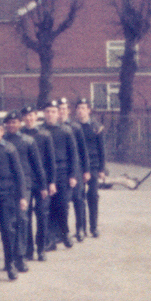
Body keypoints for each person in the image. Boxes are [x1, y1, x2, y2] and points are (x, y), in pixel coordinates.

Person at [0, 117, 27, 279]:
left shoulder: (9, 149)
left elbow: (19, 174)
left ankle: (10, 264)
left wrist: (22, 196)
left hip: (7, 196)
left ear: (2, 132)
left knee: (8, 231)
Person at [4, 109, 46, 266]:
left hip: (25, 183)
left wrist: (42, 185)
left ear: (19, 123)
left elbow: (38, 165)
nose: (12, 125)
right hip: (8, 184)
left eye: (14, 122)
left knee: (22, 217)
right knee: (11, 221)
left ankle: (22, 255)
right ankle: (20, 251)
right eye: (9, 123)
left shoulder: (28, 141)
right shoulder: (3, 141)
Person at [41, 101, 79, 251]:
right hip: (46, 173)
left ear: (58, 113)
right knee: (48, 206)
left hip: (63, 172)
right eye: (47, 111)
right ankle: (50, 239)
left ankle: (65, 233)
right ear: (44, 113)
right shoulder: (41, 131)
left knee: (62, 205)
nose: (50, 114)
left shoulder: (66, 131)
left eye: (53, 111)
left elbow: (73, 155)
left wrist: (73, 175)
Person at [20, 106, 55, 261]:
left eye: (32, 115)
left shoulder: (44, 135)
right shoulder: (19, 136)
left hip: (42, 180)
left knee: (42, 214)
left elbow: (50, 160)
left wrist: (51, 182)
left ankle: (41, 248)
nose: (29, 119)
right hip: (26, 181)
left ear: (36, 117)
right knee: (25, 216)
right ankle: (28, 249)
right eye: (26, 116)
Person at [59, 97, 90, 242]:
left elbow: (83, 151)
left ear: (68, 110)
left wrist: (86, 170)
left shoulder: (75, 127)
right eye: (59, 109)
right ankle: (61, 232)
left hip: (75, 168)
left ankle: (80, 228)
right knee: (62, 202)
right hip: (61, 170)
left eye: (64, 109)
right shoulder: (54, 128)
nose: (62, 111)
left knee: (78, 199)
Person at [75, 98, 106, 237]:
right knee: (79, 196)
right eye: (79, 108)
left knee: (93, 195)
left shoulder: (96, 127)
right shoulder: (73, 127)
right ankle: (81, 228)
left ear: (89, 110)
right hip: (78, 166)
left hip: (93, 165)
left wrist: (101, 169)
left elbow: (101, 149)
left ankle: (94, 227)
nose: (81, 110)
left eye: (83, 108)